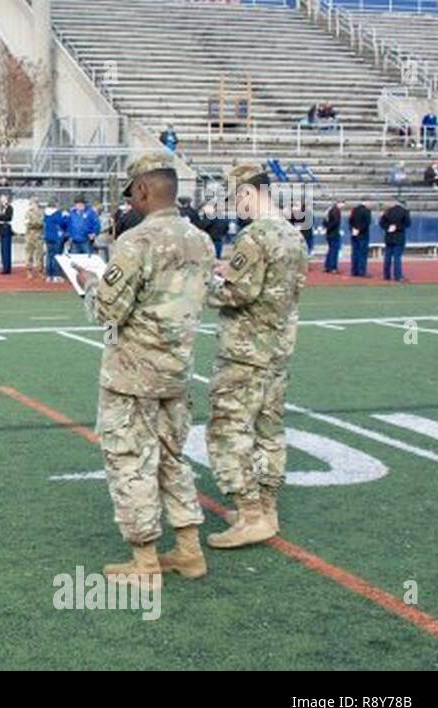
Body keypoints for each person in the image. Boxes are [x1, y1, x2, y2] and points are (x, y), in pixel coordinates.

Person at [75, 153, 213, 588]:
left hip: (133, 375)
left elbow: (107, 309)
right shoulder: (201, 241)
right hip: (176, 371)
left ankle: (145, 560)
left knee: (131, 461)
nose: (131, 201)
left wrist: (88, 285)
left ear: (142, 190)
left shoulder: (137, 243)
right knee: (173, 460)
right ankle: (189, 550)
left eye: (132, 192)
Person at [204, 163, 308, 549]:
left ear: (247, 193)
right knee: (269, 431)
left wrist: (207, 282)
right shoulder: (293, 235)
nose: (235, 206)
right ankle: (266, 509)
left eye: (235, 198)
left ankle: (249, 514)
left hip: (245, 353)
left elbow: (237, 293)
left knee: (227, 430)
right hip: (278, 350)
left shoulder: (255, 237)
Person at [379, 200, 410, 282]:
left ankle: (386, 275)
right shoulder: (404, 211)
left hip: (389, 237)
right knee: (397, 257)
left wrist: (388, 227)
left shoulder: (387, 211)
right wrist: (397, 227)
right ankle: (398, 275)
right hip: (399, 237)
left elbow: (381, 223)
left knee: (387, 257)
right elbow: (407, 224)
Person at [43, 201, 68, 282]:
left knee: (49, 256)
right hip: (56, 237)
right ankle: (56, 274)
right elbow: (62, 223)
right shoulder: (57, 213)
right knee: (56, 256)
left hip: (47, 236)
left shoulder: (46, 214)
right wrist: (65, 217)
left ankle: (49, 275)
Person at [348, 201, 372, 277]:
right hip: (363, 234)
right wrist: (359, 229)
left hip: (354, 234)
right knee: (362, 253)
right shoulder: (367, 211)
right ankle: (362, 271)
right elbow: (367, 223)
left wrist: (353, 229)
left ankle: (354, 270)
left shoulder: (354, 210)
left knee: (355, 253)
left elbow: (350, 221)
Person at [0, 194, 14, 275]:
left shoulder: (9, 208)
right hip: (1, 229)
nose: (2, 201)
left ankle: (7, 268)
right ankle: (4, 266)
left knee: (7, 249)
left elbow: (8, 217)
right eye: (1, 199)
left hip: (6, 229)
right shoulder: (0, 208)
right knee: (3, 250)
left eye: (3, 199)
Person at [24, 197, 45, 280]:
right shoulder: (28, 213)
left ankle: (40, 271)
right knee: (29, 255)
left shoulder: (41, 212)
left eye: (33, 203)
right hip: (29, 236)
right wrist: (35, 224)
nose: (31, 205)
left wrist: (34, 224)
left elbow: (41, 223)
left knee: (39, 255)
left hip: (39, 236)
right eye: (31, 203)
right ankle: (29, 271)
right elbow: (27, 223)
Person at [322, 201, 343, 274]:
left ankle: (327, 266)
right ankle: (333, 267)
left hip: (329, 233)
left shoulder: (329, 210)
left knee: (330, 250)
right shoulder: (336, 211)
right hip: (334, 233)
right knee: (334, 250)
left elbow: (324, 221)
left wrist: (327, 227)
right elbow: (336, 222)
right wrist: (329, 227)